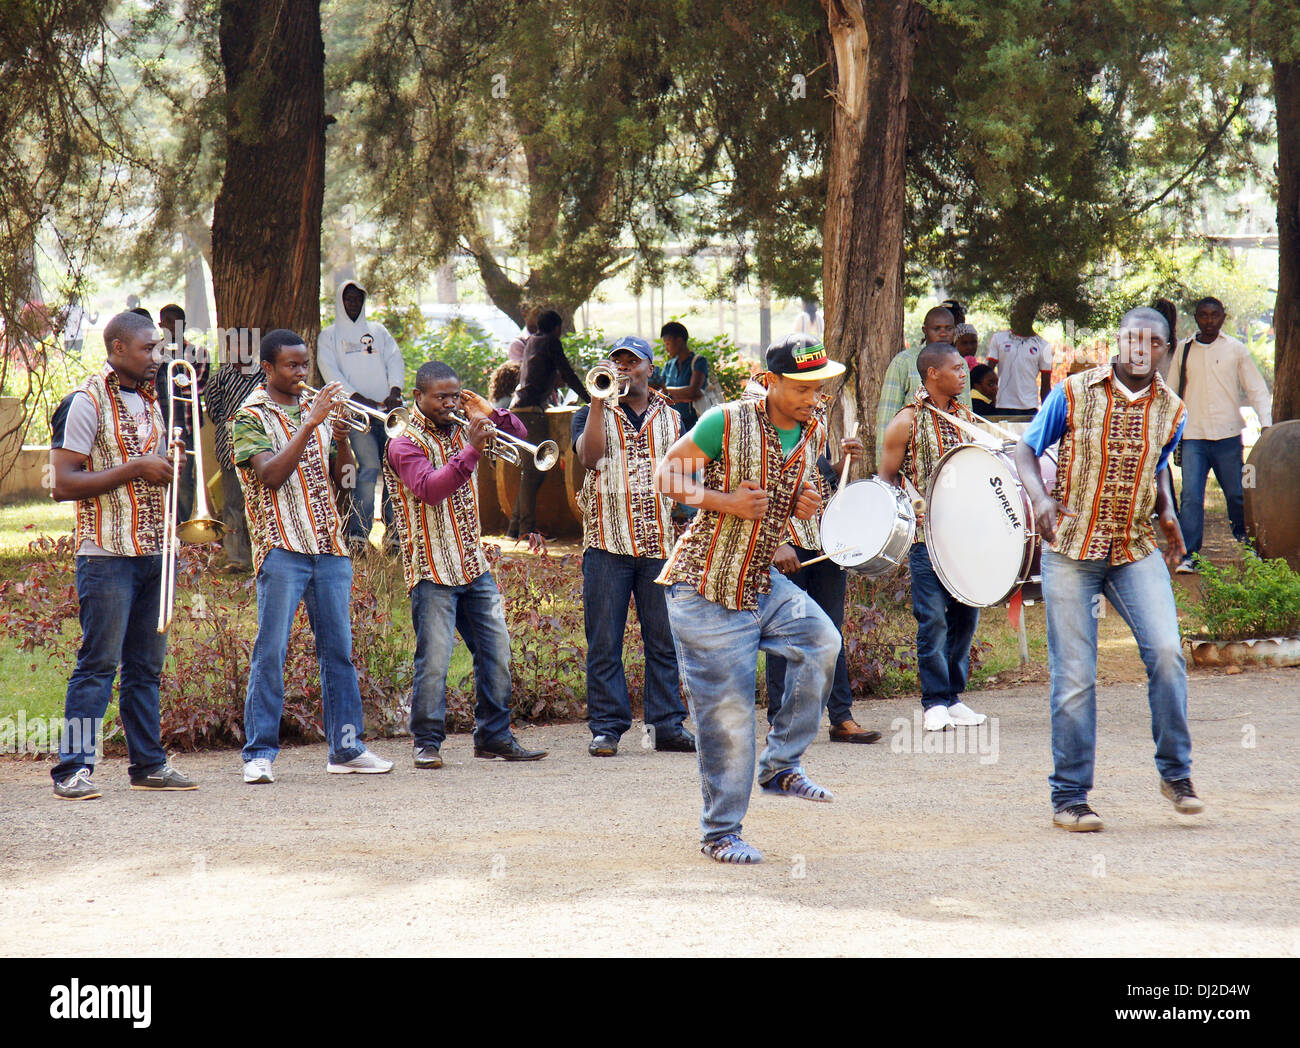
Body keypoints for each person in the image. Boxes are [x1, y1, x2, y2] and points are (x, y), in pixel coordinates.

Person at [655, 333, 843, 865]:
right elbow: (666, 475)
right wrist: (724, 501)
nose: (813, 395)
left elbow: (797, 493)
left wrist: (807, 501)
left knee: (823, 644)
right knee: (730, 718)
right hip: (704, 586)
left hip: (760, 580)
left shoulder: (815, 427)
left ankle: (781, 765)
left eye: (818, 385)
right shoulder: (726, 421)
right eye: (802, 386)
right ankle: (721, 834)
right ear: (771, 380)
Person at [1015, 307, 1201, 832]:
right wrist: (1040, 500)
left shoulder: (1173, 409)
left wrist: (1166, 509)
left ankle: (1176, 773)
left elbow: (1160, 462)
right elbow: (1025, 450)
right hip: (1072, 548)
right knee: (1075, 675)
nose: (1141, 348)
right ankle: (1070, 796)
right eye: (1132, 338)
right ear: (1118, 343)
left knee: (1167, 652)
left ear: (1166, 349)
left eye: (1153, 341)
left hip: (1133, 548)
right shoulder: (1073, 392)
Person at [234, 328, 394, 783]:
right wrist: (311, 424)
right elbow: (270, 476)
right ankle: (259, 754)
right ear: (268, 367)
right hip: (282, 545)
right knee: (271, 651)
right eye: (291, 365)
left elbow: (344, 481)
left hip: (328, 546)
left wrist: (340, 437)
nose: (302, 373)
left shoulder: (317, 411)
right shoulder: (249, 416)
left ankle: (346, 749)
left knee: (338, 653)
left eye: (306, 365)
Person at [47, 310, 197, 799]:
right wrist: (136, 468)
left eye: (158, 348)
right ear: (116, 349)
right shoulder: (84, 402)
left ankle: (148, 765)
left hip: (154, 551)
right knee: (97, 664)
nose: (157, 356)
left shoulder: (153, 401)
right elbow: (62, 484)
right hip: (106, 553)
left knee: (145, 668)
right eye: (147, 348)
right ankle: (72, 768)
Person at [383, 361, 548, 767]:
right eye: (440, 397)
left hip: (473, 565)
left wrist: (489, 413)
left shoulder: (463, 425)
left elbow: (521, 438)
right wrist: (472, 449)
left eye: (455, 396)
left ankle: (493, 736)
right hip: (432, 568)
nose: (449, 404)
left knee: (496, 651)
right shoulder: (402, 442)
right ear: (417, 397)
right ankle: (427, 742)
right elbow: (430, 488)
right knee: (435, 660)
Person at [571, 336, 693, 757]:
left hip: (659, 544)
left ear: (650, 368)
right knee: (605, 640)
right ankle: (606, 728)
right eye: (616, 361)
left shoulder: (675, 416)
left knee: (664, 639)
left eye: (632, 362)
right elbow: (591, 458)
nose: (623, 368)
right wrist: (598, 404)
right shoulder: (590, 412)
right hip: (607, 543)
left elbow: (691, 469)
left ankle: (667, 726)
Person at [751, 370, 880, 744]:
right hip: (781, 541)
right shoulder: (755, 417)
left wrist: (843, 464)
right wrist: (774, 541)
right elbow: (752, 483)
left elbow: (819, 475)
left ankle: (841, 717)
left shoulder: (815, 416)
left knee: (830, 631)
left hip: (823, 539)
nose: (811, 395)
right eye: (803, 385)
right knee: (783, 631)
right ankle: (780, 720)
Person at [879, 342, 987, 733]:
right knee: (932, 621)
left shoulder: (965, 417)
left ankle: (954, 697)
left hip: (965, 538)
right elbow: (885, 478)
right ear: (932, 374)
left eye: (963, 368)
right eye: (956, 368)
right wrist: (908, 505)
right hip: (926, 541)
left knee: (965, 618)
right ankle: (933, 702)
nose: (964, 373)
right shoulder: (907, 420)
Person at [1167, 296, 1272, 573]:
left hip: (1227, 436)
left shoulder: (1236, 350)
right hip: (1193, 436)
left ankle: (1249, 547)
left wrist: (1267, 424)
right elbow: (1170, 392)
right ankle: (1189, 555)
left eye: (1215, 315)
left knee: (1237, 494)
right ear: (1197, 317)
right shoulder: (1184, 350)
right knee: (1190, 496)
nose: (1209, 320)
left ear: (1223, 317)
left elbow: (1256, 389)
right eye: (1203, 315)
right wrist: (1166, 430)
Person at [317, 279, 405, 553]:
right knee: (368, 469)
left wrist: (394, 391)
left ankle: (395, 538)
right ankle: (357, 536)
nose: (353, 303)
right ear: (340, 302)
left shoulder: (377, 331)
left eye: (357, 299)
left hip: (388, 414)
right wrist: (358, 398)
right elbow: (329, 370)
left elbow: (394, 359)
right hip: (357, 415)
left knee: (394, 471)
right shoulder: (329, 335)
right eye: (348, 299)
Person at [508, 309, 589, 539]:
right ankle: (525, 530)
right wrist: (590, 398)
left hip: (520, 408)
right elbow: (569, 374)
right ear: (557, 328)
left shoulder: (532, 341)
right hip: (531, 411)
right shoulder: (551, 341)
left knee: (529, 470)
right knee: (534, 470)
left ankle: (515, 528)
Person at [874, 305, 972, 468]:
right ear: (924, 330)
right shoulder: (904, 362)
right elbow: (886, 419)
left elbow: (966, 416)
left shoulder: (960, 365)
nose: (943, 333)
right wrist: (883, 468)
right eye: (937, 328)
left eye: (948, 328)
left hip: (951, 464)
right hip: (911, 464)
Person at [203, 332, 264, 572]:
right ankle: (238, 559)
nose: (240, 349)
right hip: (230, 450)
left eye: (246, 344)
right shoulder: (220, 378)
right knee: (232, 505)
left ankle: (264, 554)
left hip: (261, 449)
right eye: (235, 344)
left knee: (260, 504)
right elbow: (215, 412)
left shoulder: (263, 375)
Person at [155, 303, 209, 524]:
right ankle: (163, 529)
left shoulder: (198, 354)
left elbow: (198, 387)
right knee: (158, 482)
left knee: (185, 483)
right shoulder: (151, 353)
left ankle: (183, 531)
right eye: (168, 324)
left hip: (185, 428)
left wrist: (173, 383)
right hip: (157, 429)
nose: (173, 329)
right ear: (160, 325)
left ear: (185, 326)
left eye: (178, 324)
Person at [985, 301, 1052, 414]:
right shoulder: (999, 339)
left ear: (1031, 317)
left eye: (1020, 314)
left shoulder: (1044, 346)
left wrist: (1047, 413)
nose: (1014, 317)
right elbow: (988, 373)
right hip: (1002, 405)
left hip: (1029, 407)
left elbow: (1046, 385)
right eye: (1013, 313)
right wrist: (989, 401)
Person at [660, 320, 712, 434]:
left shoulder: (698, 361)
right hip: (672, 424)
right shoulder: (669, 365)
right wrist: (684, 396)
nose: (666, 349)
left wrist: (667, 391)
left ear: (679, 341)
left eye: (668, 344)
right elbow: (659, 391)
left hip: (695, 424)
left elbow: (694, 391)